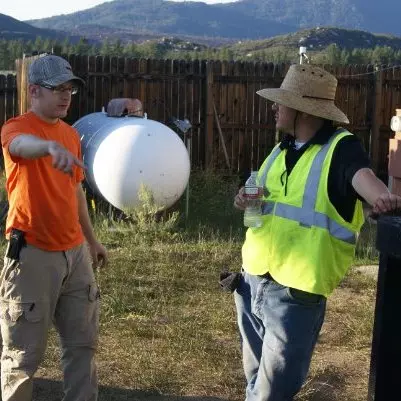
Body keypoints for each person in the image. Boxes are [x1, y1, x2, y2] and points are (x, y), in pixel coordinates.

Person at [233, 63, 401, 401]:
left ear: (303, 111)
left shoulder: (341, 149)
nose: (274, 107)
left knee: (271, 392)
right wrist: (244, 200)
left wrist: (382, 198)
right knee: (254, 381)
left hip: (295, 292)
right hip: (252, 280)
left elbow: (363, 179)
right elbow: (255, 208)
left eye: (281, 102)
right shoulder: (281, 150)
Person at [0, 54, 107, 401]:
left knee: (82, 346)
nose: (65, 96)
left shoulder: (70, 136)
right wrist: (46, 147)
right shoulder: (17, 128)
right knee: (21, 357)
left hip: (75, 255)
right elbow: (19, 147)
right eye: (56, 89)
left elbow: (74, 189)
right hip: (32, 255)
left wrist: (91, 240)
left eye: (69, 90)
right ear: (33, 91)